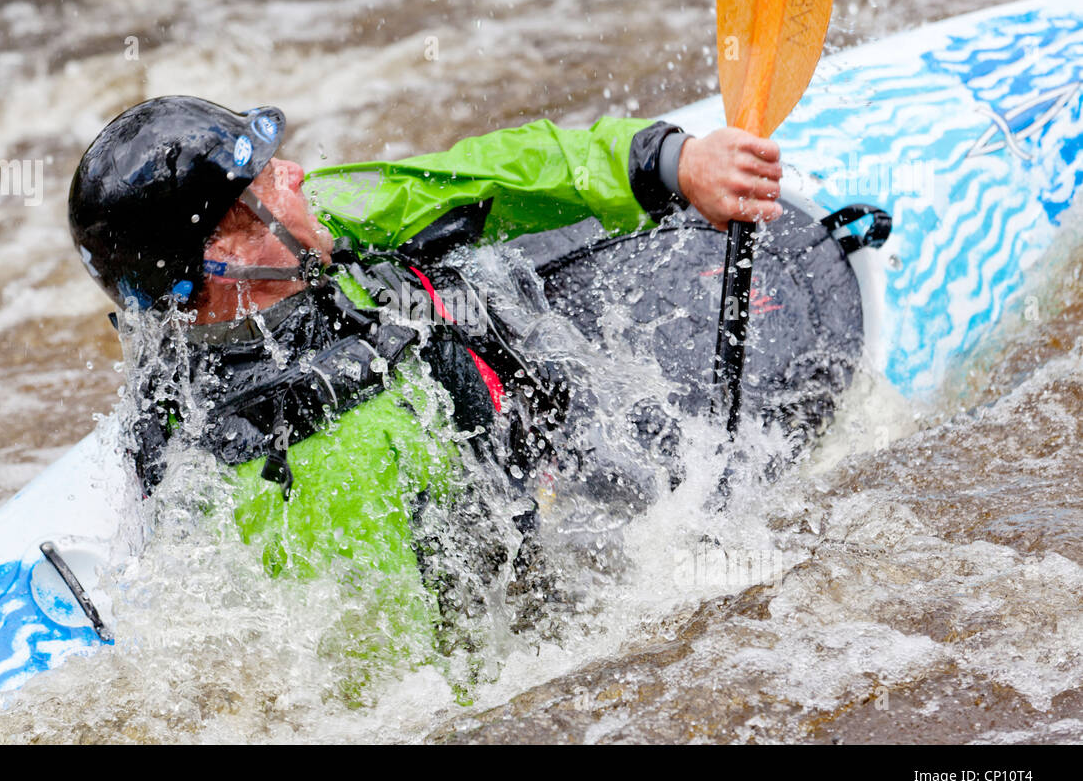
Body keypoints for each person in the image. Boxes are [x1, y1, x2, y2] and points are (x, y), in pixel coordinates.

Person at [67, 95, 793, 688]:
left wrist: (665, 162)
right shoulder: (303, 467)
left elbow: (476, 174)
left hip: (509, 471)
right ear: (227, 257)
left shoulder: (311, 233)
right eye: (263, 185)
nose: (293, 174)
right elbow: (411, 686)